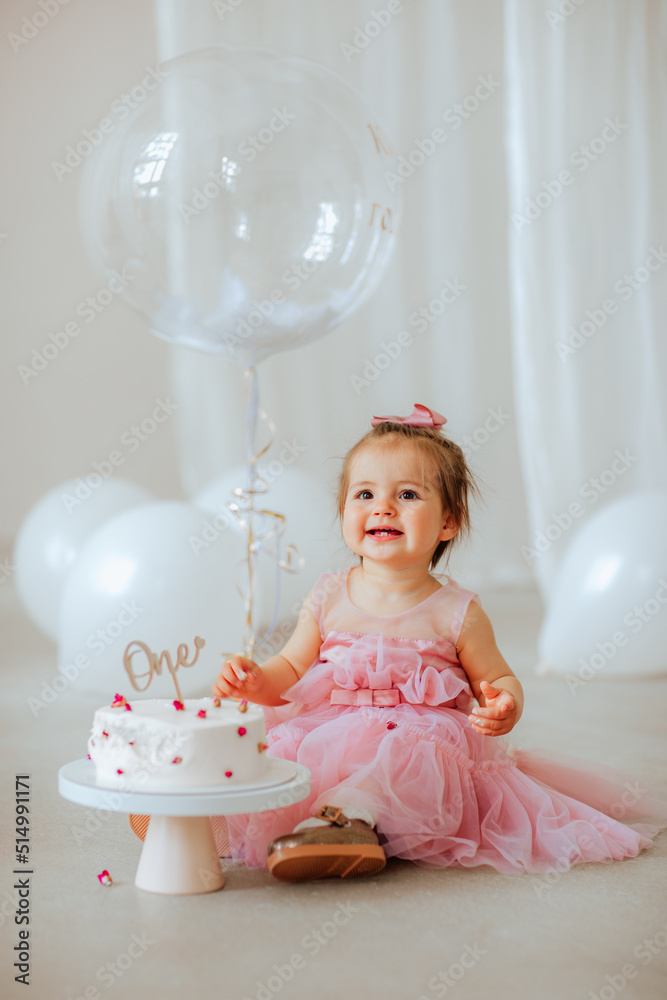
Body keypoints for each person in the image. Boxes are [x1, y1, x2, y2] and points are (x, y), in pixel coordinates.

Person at [211, 403, 667, 882]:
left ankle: (345, 825)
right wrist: (254, 681)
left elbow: (496, 677)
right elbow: (289, 671)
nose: (382, 507)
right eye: (364, 493)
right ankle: (215, 816)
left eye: (407, 494)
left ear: (448, 522)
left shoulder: (456, 610)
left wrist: (504, 702)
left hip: (419, 736)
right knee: (282, 751)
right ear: (344, 511)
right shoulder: (328, 594)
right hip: (333, 728)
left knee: (403, 761)